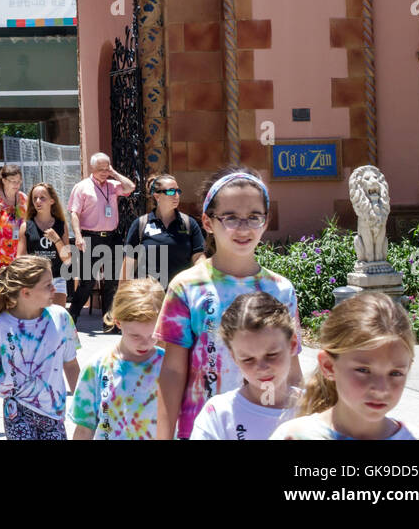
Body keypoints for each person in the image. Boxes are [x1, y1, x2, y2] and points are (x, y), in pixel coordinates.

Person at [155, 167, 303, 440]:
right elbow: (173, 371)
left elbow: (292, 371)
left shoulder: (281, 289)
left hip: (269, 430)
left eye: (253, 217)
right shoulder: (187, 287)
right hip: (201, 429)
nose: (243, 228)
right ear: (208, 222)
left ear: (266, 221)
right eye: (231, 217)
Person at [271, 292, 419, 440]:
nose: (381, 389)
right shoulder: (294, 436)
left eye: (395, 373)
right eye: (363, 370)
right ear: (328, 366)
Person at [0, 256, 80, 441]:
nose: (54, 289)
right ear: (26, 293)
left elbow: (71, 365)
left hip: (54, 413)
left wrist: (85, 411)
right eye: (48, 285)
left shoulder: (61, 317)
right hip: (17, 412)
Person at [191, 291, 301, 440]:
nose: (262, 367)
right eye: (248, 359)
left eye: (272, 355)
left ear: (293, 345)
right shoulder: (219, 414)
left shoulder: (316, 409)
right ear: (234, 357)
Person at [69, 279, 166, 440]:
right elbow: (84, 429)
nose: (145, 342)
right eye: (135, 335)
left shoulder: (169, 368)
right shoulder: (97, 367)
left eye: (153, 335)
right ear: (118, 322)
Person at [66, 153, 136, 329]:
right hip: (90, 237)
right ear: (92, 168)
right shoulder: (82, 187)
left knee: (112, 281)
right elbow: (74, 213)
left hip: (112, 237)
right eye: (101, 169)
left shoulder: (112, 185)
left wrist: (114, 173)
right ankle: (71, 318)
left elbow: (130, 187)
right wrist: (78, 236)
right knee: (87, 282)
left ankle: (109, 323)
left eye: (107, 168)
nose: (105, 172)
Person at [120, 173, 204, 288]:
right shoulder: (140, 225)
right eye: (170, 192)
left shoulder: (189, 224)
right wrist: (121, 298)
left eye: (177, 191)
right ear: (157, 196)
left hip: (180, 296)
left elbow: (199, 257)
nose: (176, 196)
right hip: (149, 297)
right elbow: (128, 265)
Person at [25, 182, 73, 307]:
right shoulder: (26, 226)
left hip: (57, 279)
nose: (38, 201)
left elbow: (67, 260)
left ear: (52, 201)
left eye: (42, 198)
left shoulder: (61, 225)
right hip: (34, 280)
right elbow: (20, 258)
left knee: (58, 321)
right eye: (34, 198)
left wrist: (57, 240)